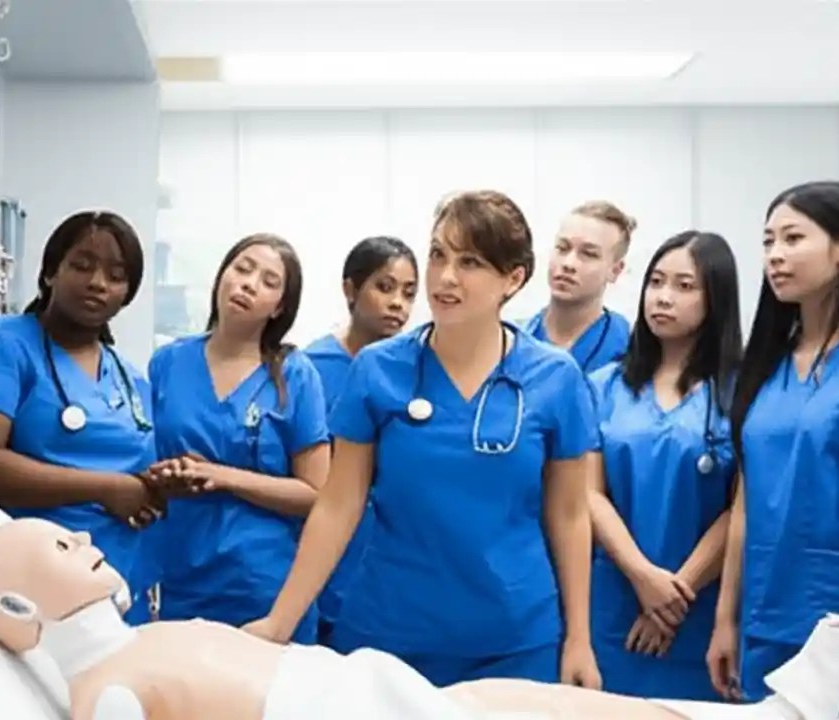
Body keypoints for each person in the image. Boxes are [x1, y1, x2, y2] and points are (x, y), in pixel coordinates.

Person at [0, 513, 839, 720]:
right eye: (57, 551)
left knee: (543, 708)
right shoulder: (99, 690)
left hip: (354, 691)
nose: (83, 546)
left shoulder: (135, 643)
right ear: (14, 606)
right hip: (344, 718)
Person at [245, 190, 600, 689]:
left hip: (515, 641)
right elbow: (337, 505)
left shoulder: (555, 378)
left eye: (470, 262)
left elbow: (569, 514)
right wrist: (280, 622)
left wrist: (579, 639)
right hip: (389, 637)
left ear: (513, 279)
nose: (445, 277)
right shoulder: (379, 369)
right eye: (438, 255)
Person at [709, 181, 839, 703]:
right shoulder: (767, 362)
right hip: (766, 614)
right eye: (768, 241)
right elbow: (747, 498)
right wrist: (726, 618)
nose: (775, 255)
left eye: (793, 238)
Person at [0, 210, 163, 624]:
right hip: (21, 594)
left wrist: (157, 490)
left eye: (116, 275)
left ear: (127, 293)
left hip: (118, 594)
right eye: (82, 265)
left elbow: (137, 481)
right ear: (51, 272)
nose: (98, 283)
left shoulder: (132, 378)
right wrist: (107, 489)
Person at [145, 234, 329, 643]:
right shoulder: (169, 363)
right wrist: (165, 475)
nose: (248, 284)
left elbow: (317, 494)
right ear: (222, 275)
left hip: (266, 585)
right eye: (242, 269)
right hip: (183, 577)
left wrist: (224, 476)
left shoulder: (294, 375)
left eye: (268, 281)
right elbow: (145, 461)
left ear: (280, 306)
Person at [587, 231, 742, 700]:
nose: (663, 297)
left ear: (716, 298)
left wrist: (674, 598)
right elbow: (586, 494)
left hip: (704, 615)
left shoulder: (742, 392)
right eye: (656, 282)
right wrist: (643, 578)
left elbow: (742, 507)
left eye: (684, 286)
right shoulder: (603, 386)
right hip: (615, 607)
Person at [301, 235, 418, 645]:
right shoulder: (309, 369)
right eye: (384, 287)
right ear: (350, 289)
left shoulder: (414, 370)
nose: (397, 304)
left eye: (408, 293)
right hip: (328, 545)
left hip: (393, 552)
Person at [523, 200, 634, 372]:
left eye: (588, 254)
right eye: (562, 248)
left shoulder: (628, 348)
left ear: (615, 270)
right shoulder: (516, 342)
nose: (569, 263)